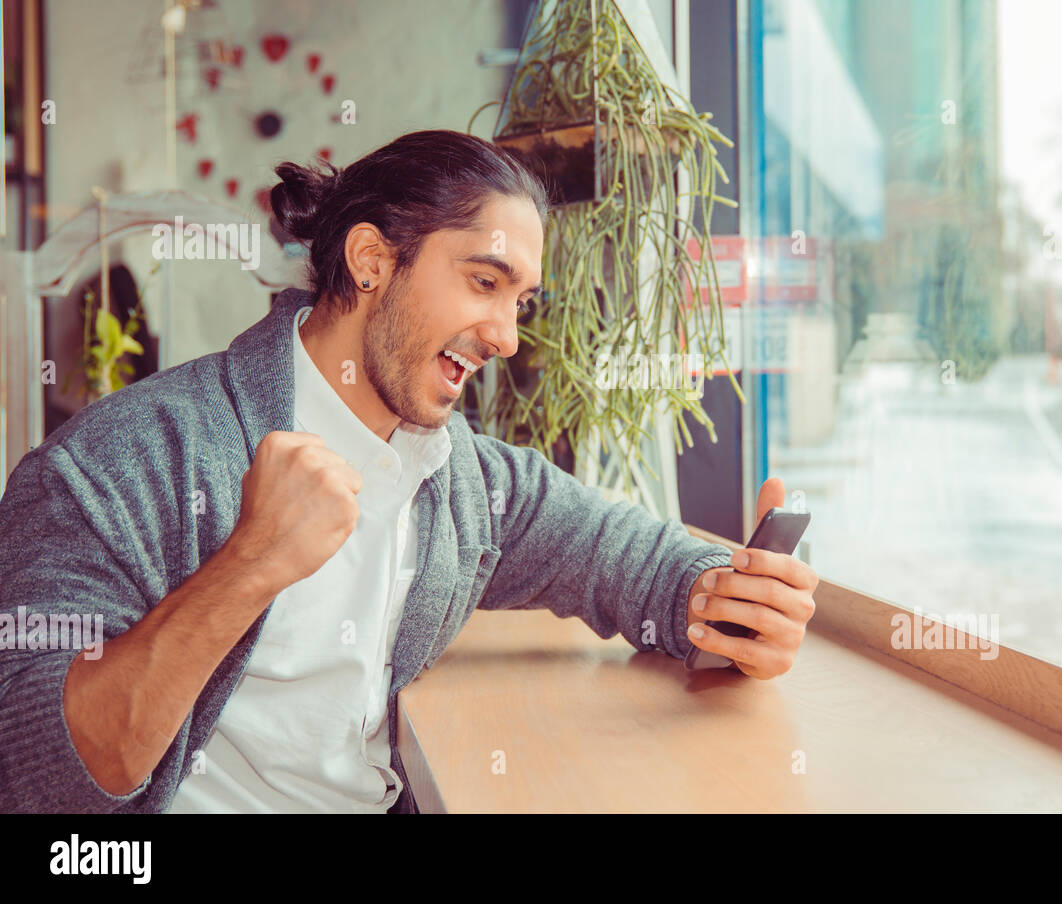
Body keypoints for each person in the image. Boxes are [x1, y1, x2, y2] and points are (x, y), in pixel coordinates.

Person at [0, 130, 818, 813]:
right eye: (484, 281)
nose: (507, 336)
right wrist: (247, 566)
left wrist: (722, 596)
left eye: (521, 301)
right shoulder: (119, 460)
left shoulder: (462, 481)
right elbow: (38, 773)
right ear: (370, 261)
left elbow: (618, 554)